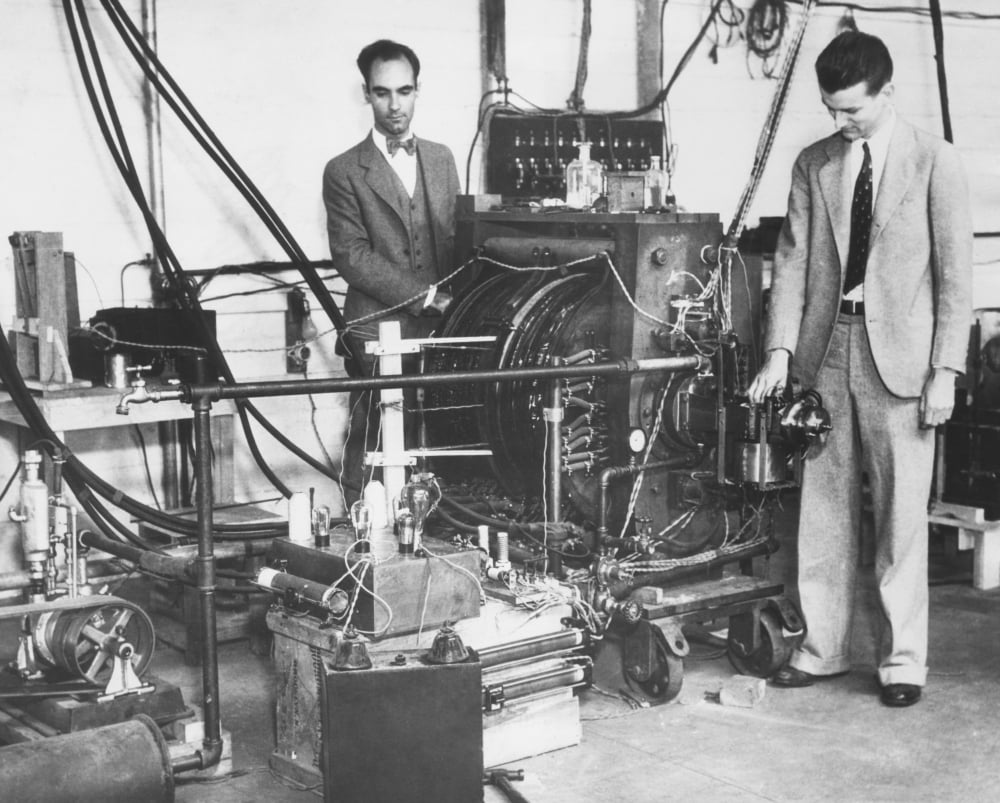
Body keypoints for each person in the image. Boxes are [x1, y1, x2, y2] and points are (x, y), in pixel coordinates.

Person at [747, 30, 972, 708]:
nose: (839, 123)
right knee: (822, 514)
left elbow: (956, 279)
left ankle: (903, 662)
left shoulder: (936, 162)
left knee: (901, 519)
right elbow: (789, 263)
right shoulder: (814, 164)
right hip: (827, 353)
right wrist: (781, 352)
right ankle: (821, 649)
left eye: (852, 111)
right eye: (830, 109)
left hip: (902, 366)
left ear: (887, 93)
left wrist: (946, 370)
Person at [322, 39, 460, 506]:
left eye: (404, 91)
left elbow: (452, 240)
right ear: (366, 94)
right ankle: (362, 534)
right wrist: (425, 295)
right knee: (374, 435)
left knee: (439, 433)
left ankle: (436, 528)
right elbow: (352, 256)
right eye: (382, 93)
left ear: (418, 90)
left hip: (442, 328)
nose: (395, 105)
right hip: (375, 327)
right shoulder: (343, 170)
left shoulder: (441, 159)